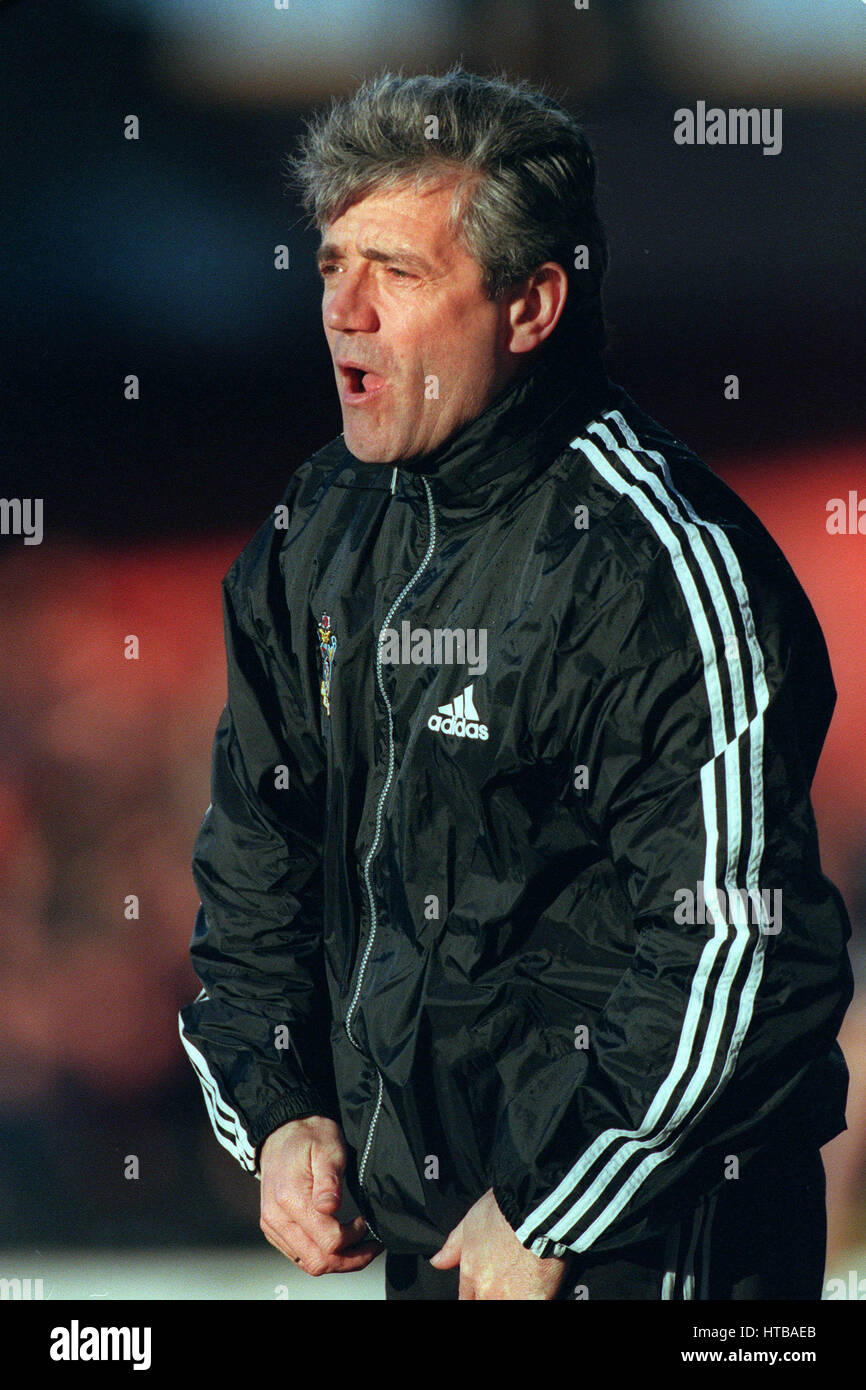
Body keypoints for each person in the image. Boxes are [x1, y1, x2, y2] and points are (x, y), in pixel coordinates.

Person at [178, 66, 853, 1300]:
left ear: (530, 303)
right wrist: (277, 1110)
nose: (346, 311)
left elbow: (745, 956)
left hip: (651, 1238)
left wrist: (554, 1205)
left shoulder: (657, 566)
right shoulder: (312, 532)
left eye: (398, 270)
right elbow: (255, 869)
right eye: (331, 264)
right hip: (445, 1241)